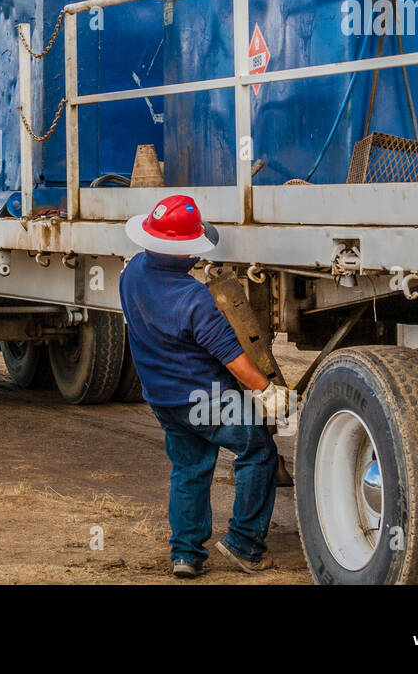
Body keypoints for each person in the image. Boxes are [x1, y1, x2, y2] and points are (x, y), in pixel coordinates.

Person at [120, 194, 292, 578]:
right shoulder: (193, 298)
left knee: (190, 468)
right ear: (185, 254)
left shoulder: (131, 273)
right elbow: (233, 358)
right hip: (205, 400)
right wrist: (267, 391)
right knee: (258, 452)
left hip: (163, 399)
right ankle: (245, 544)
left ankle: (186, 554)